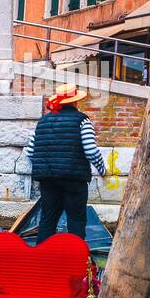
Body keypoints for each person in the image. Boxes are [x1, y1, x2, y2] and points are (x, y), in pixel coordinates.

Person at [24, 84, 107, 242]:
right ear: (75, 102)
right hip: (74, 180)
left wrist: (48, 166)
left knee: (47, 221)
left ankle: (41, 258)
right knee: (76, 221)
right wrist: (102, 169)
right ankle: (76, 260)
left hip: (48, 180)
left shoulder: (43, 121)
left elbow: (29, 153)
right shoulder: (82, 120)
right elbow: (91, 151)